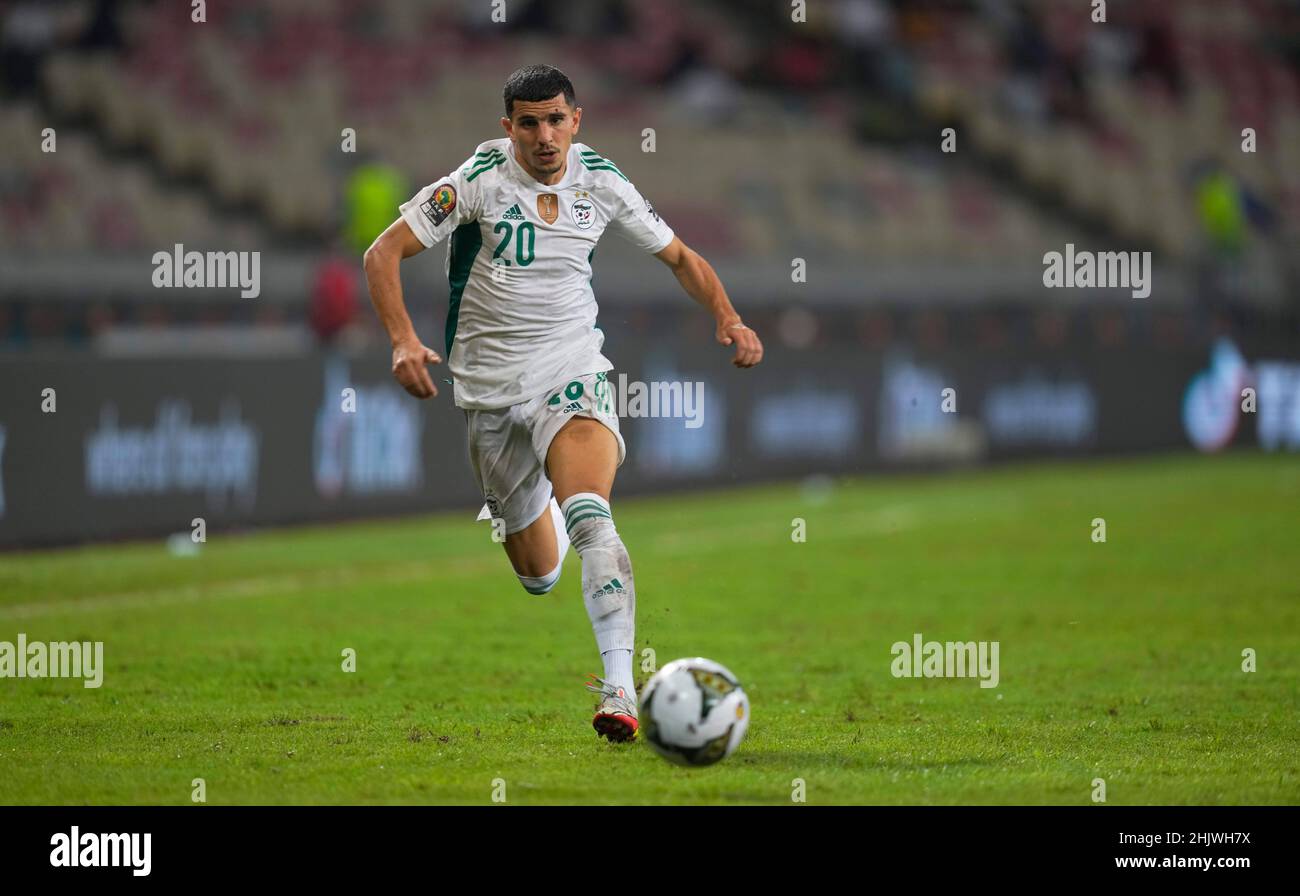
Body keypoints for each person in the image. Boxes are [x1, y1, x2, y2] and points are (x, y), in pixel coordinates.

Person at [362, 64, 763, 742]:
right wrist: (402, 340)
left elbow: (681, 257)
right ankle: (536, 500)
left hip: (571, 369)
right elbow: (382, 253)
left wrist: (728, 316)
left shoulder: (601, 180)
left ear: (576, 120)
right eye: (529, 123)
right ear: (508, 127)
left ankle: (619, 689)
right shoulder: (478, 179)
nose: (545, 136)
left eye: (556, 120)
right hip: (489, 391)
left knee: (593, 520)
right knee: (540, 575)